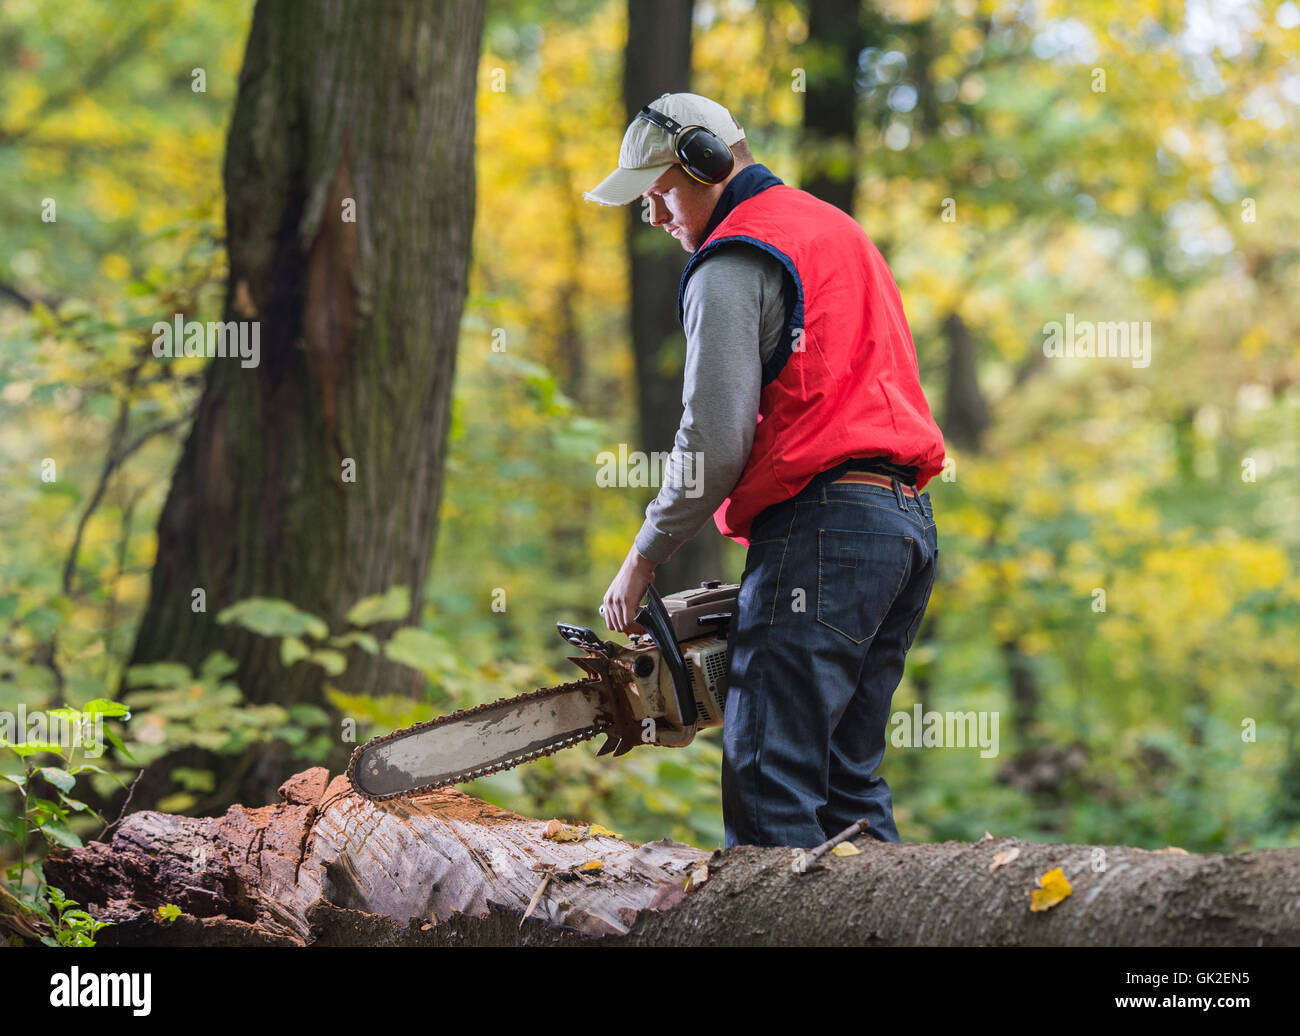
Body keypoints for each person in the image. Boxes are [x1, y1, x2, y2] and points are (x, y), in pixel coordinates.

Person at [583, 92, 945, 848]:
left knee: (769, 776)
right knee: (847, 780)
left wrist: (644, 556)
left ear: (705, 163)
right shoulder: (835, 231)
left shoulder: (734, 258)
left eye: (659, 193)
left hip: (823, 530)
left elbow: (711, 437)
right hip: (902, 529)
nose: (653, 216)